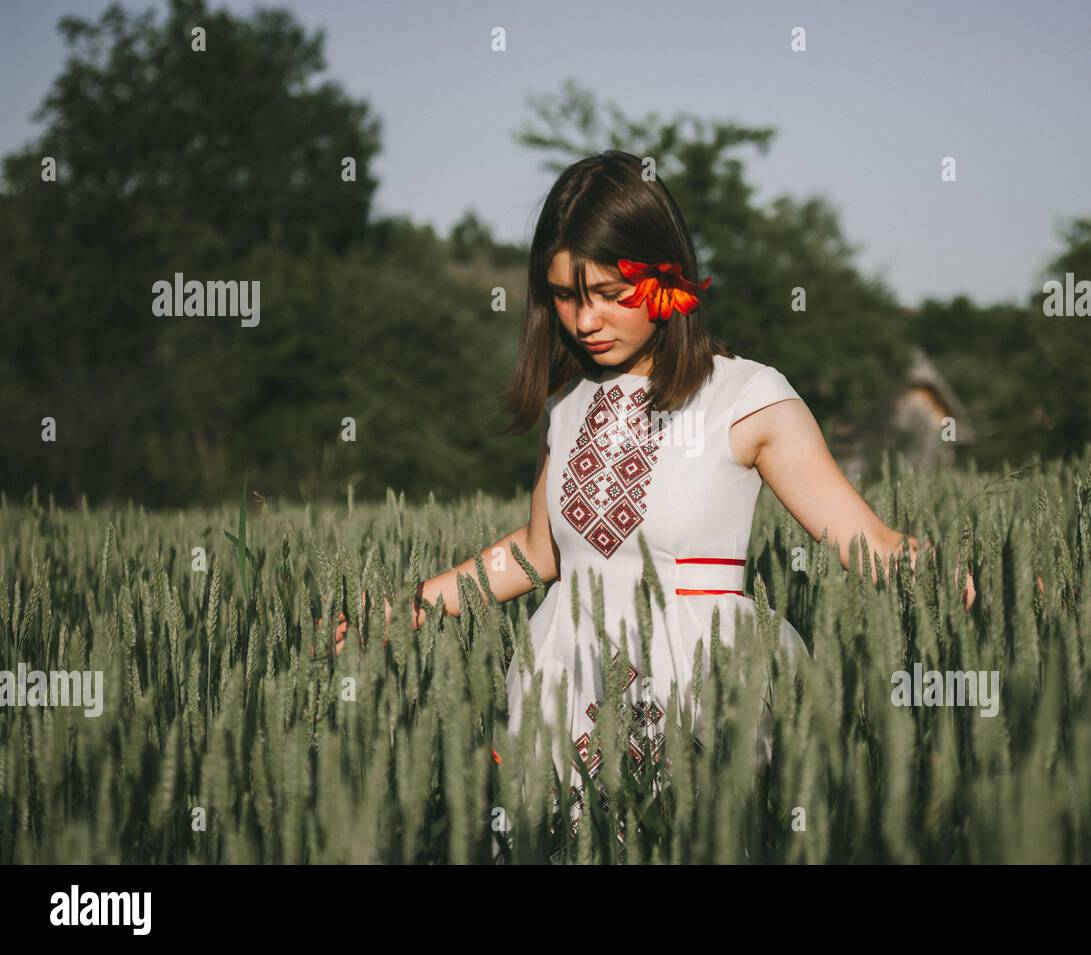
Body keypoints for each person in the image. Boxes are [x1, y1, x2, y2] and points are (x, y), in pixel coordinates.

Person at [330, 150, 976, 840]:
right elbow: (537, 553)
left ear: (667, 275)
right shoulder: (570, 404)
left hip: (705, 688)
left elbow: (866, 542)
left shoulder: (748, 396)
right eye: (566, 295)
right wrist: (409, 610)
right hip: (569, 679)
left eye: (610, 292)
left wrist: (1000, 580)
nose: (585, 320)